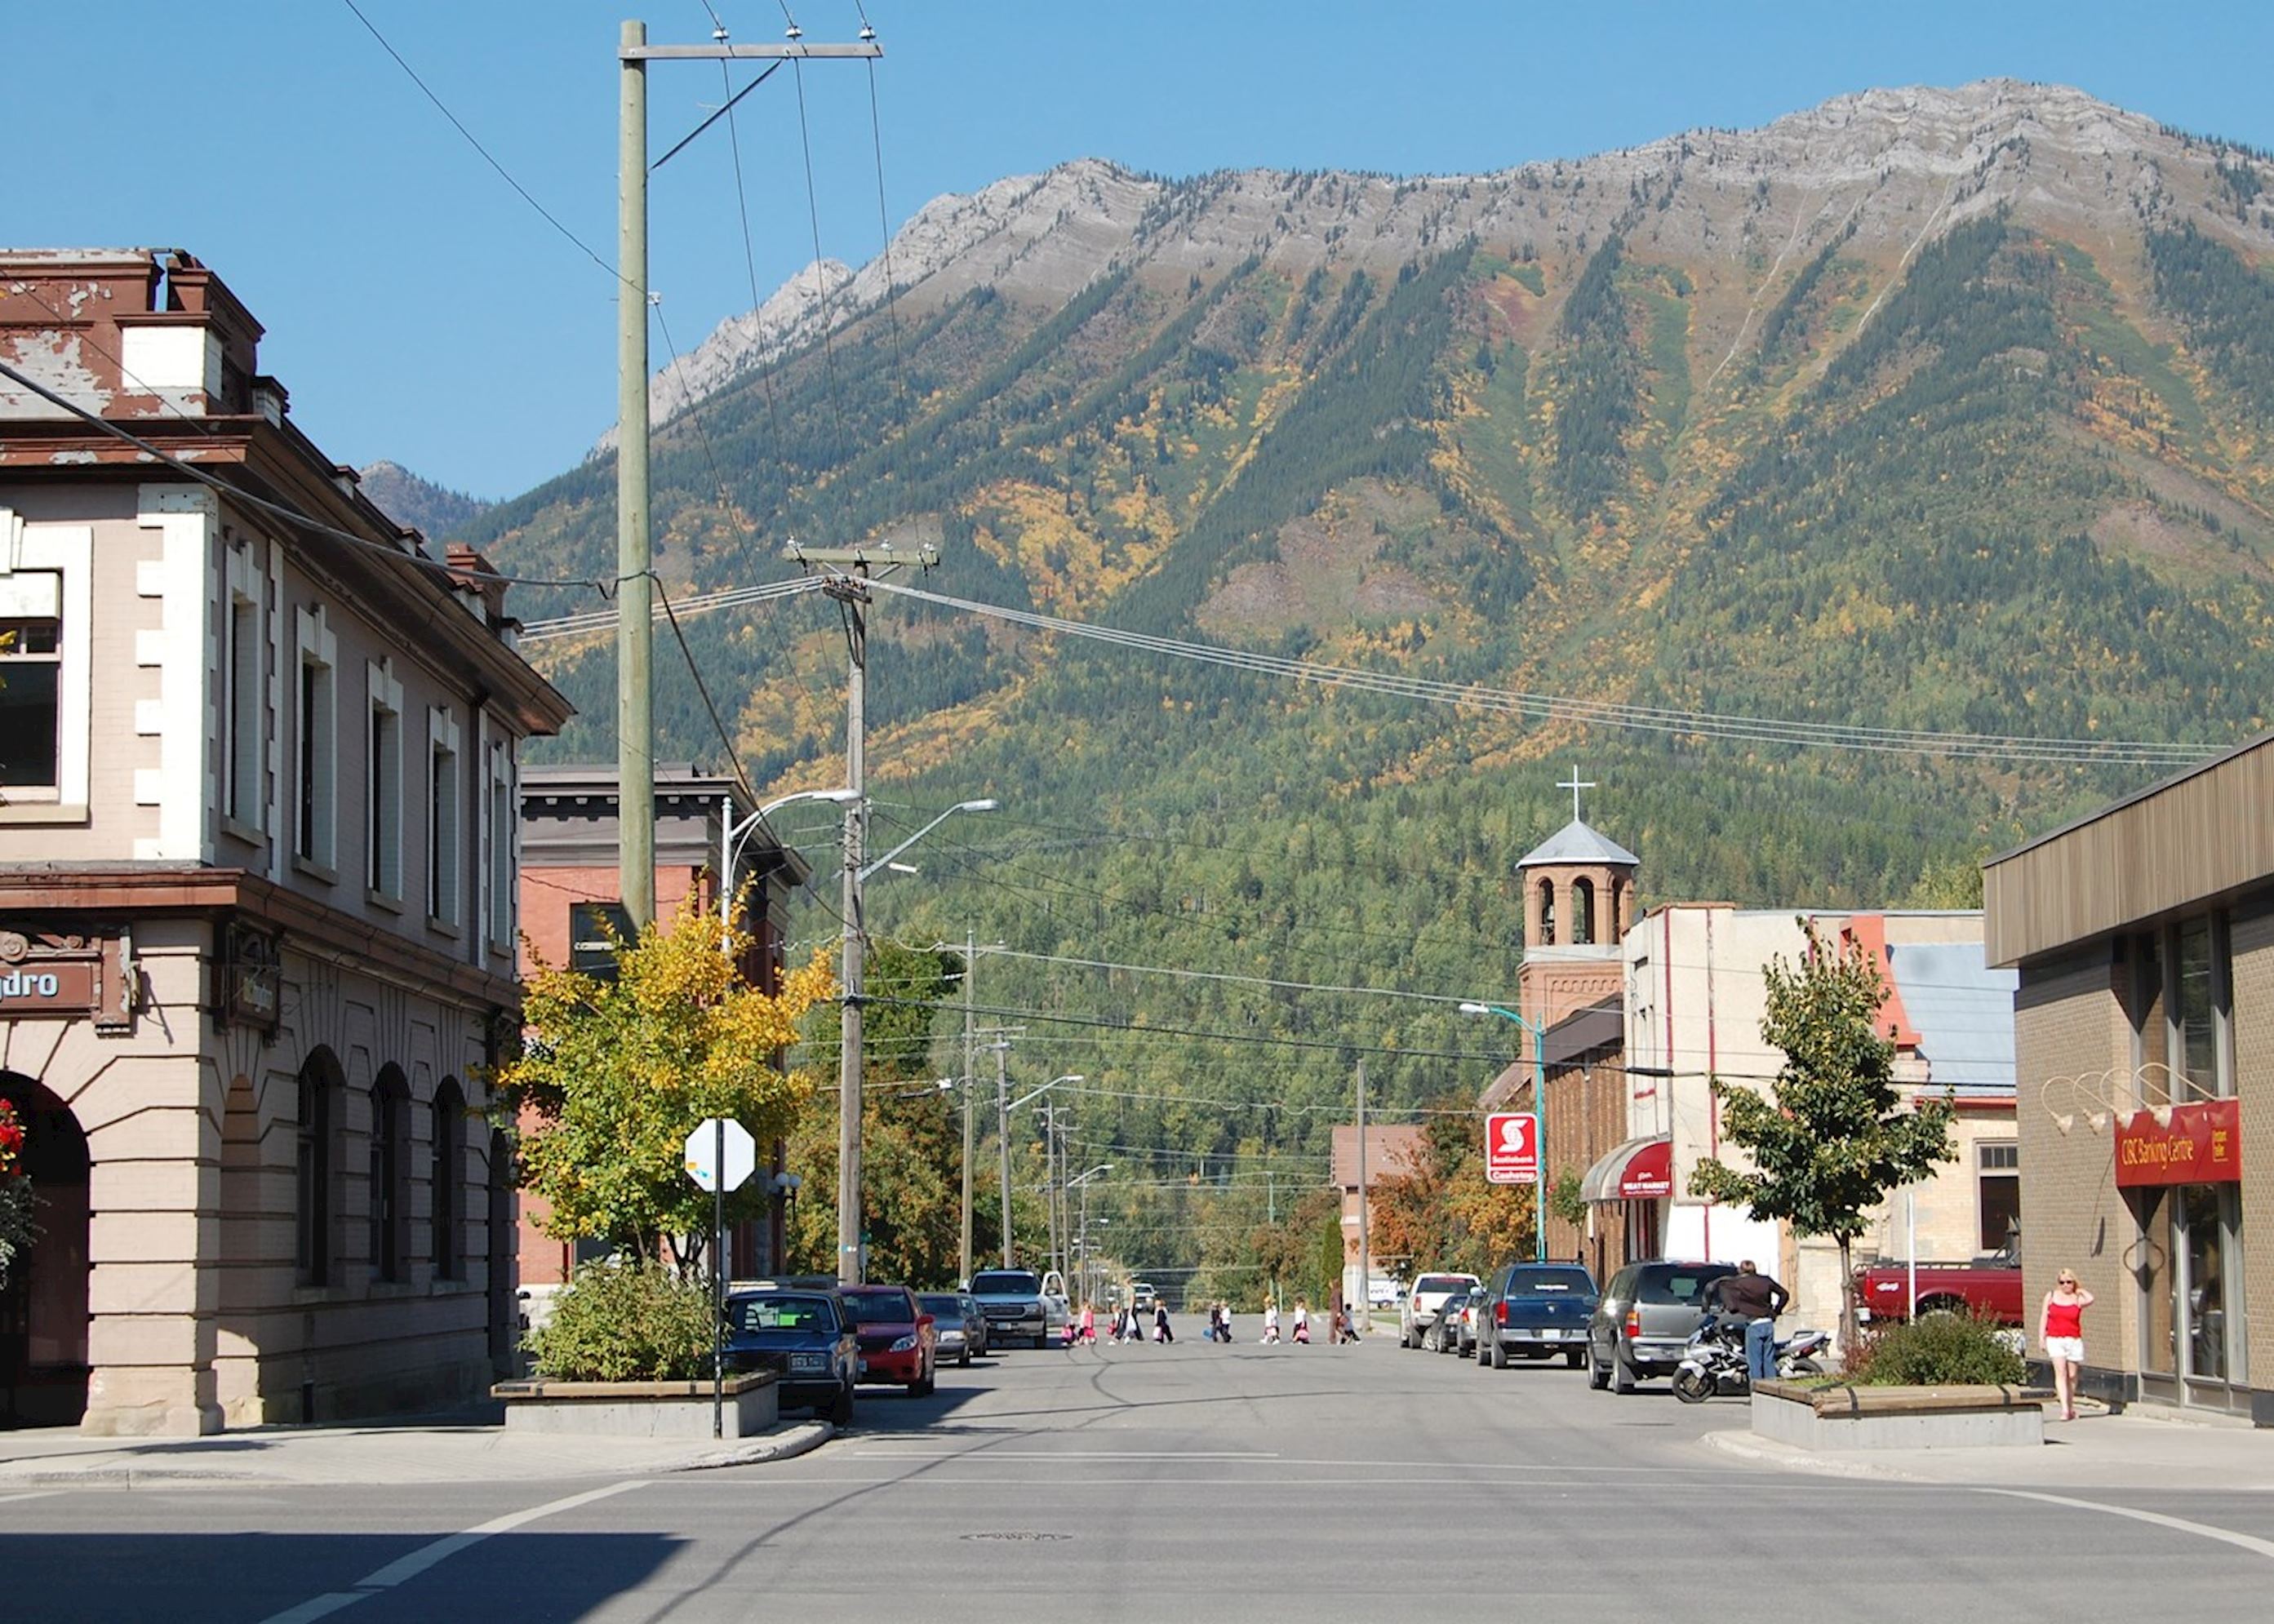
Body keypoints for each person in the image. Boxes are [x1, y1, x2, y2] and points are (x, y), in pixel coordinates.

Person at [1703, 1260, 1788, 1383]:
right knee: (1768, 1360)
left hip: (1753, 1325)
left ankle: (1757, 1391)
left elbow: (1722, 1290)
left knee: (1755, 1363)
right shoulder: (1765, 1281)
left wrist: (1731, 1308)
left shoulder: (1737, 1283)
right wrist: (1777, 1310)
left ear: (1741, 1270)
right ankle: (1772, 1389)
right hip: (1768, 1324)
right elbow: (1784, 1294)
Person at [2041, 1268, 2094, 1421]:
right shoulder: (2051, 1296)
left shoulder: (2077, 1299)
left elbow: (2091, 1299)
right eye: (2062, 1282)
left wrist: (2079, 1289)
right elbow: (2044, 1316)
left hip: (2073, 1339)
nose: (2065, 1285)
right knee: (2060, 1372)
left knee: (2072, 1375)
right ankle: (2064, 1409)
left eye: (2069, 1282)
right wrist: (2041, 1337)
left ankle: (2070, 1406)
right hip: (2055, 1339)